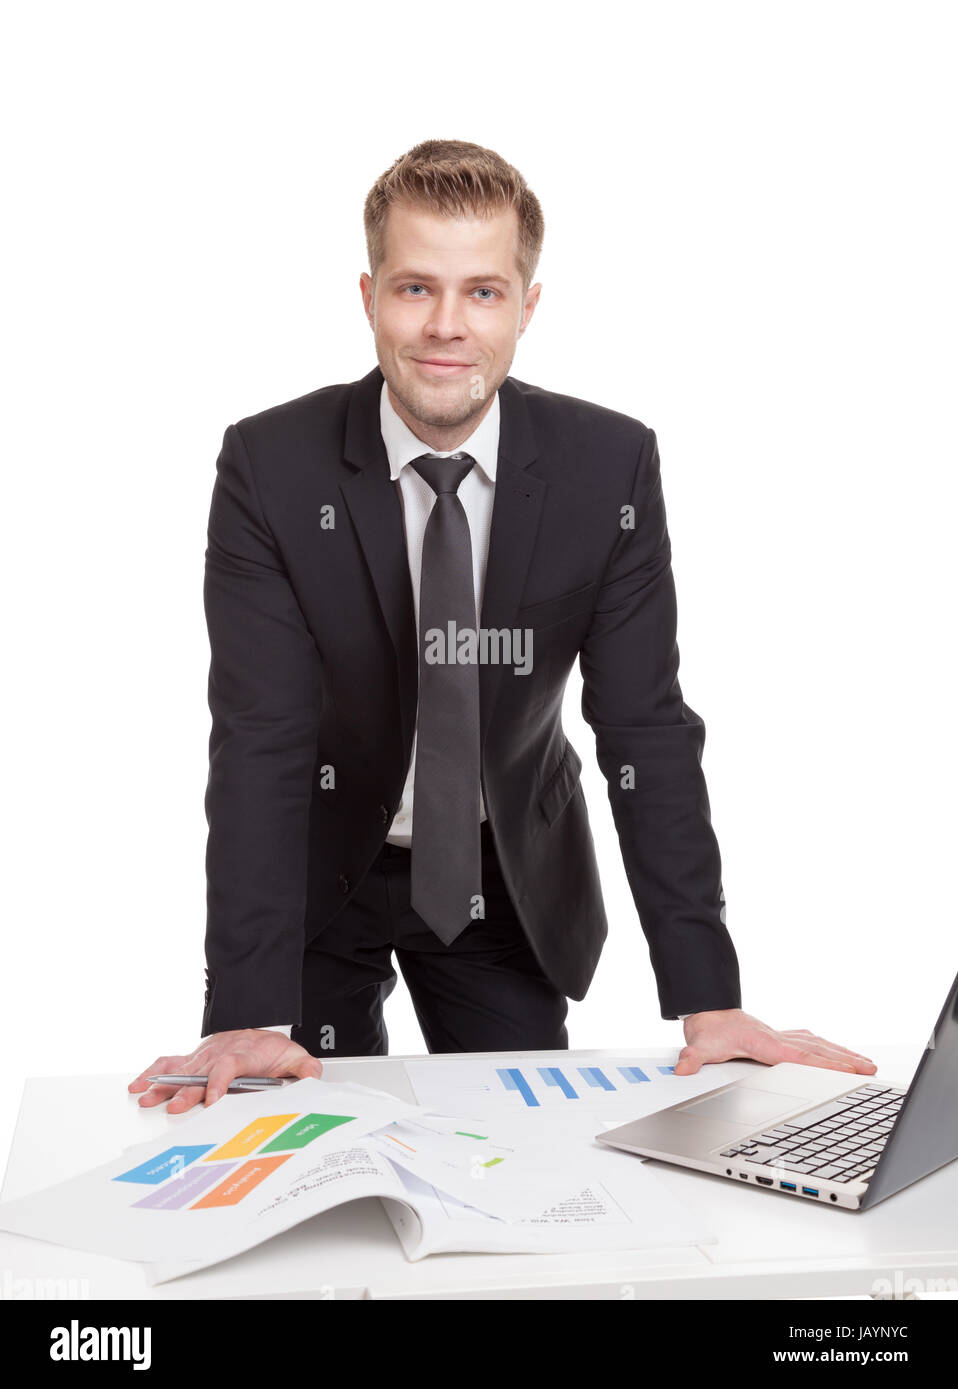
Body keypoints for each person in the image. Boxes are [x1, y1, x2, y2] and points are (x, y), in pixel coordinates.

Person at [131, 139, 875, 1114]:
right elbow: (262, 737)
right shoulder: (272, 467)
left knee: (525, 1150)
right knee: (303, 1141)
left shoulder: (608, 467)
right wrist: (247, 1002)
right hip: (317, 873)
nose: (446, 326)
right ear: (367, 297)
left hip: (501, 871)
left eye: (482, 292)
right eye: (414, 289)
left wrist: (708, 997)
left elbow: (644, 725)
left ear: (527, 306)